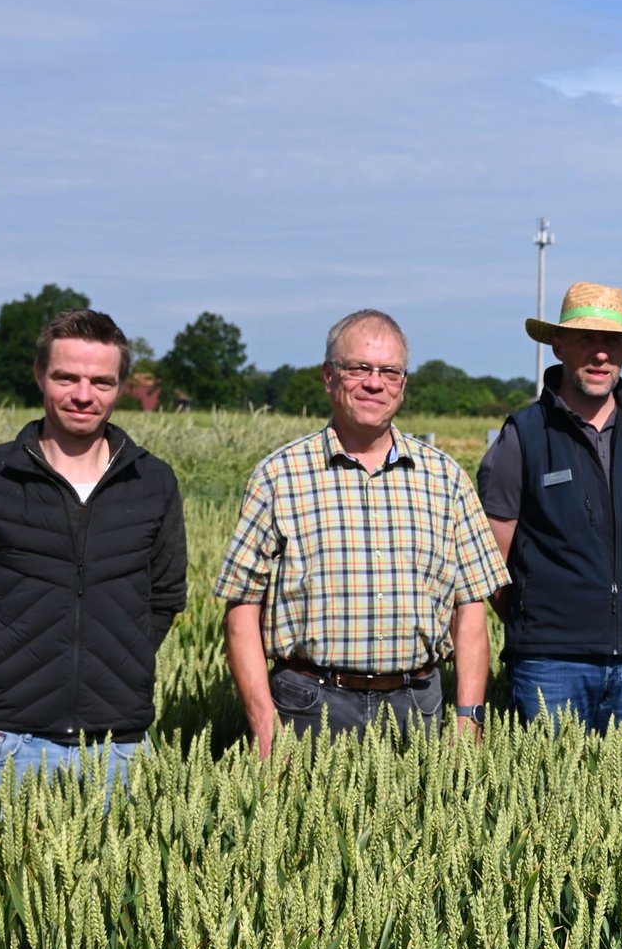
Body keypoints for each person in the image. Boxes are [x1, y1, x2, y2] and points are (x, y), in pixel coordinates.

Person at [215, 309, 506, 759]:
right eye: (359, 369)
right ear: (329, 377)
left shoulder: (445, 478)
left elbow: (470, 609)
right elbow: (241, 608)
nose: (375, 383)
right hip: (309, 705)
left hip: (417, 706)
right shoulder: (279, 476)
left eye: (390, 371)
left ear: (403, 384)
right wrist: (263, 722)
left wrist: (469, 717)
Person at [0, 309, 186, 802]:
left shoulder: (154, 483)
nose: (83, 395)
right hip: (5, 747)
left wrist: (108, 666)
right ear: (40, 375)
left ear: (120, 386)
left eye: (101, 381)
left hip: (121, 750)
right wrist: (1, 676)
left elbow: (164, 598)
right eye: (66, 377)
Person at [477, 282, 622, 730]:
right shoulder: (523, 434)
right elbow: (493, 561)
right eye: (587, 338)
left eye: (612, 340)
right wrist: (544, 620)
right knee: (547, 796)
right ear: (559, 345)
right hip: (550, 665)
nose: (601, 353)